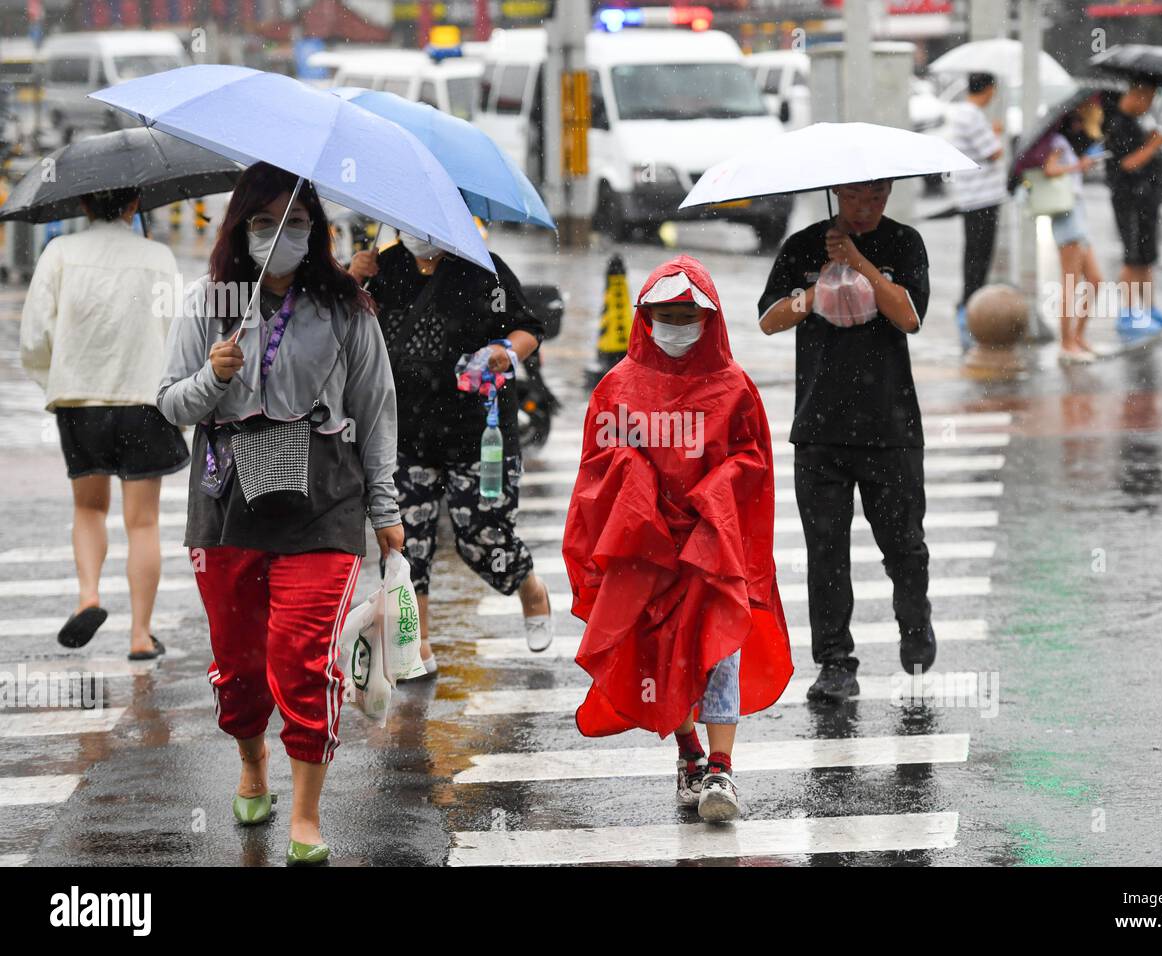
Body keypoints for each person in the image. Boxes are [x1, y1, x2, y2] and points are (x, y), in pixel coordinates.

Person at [157, 163, 403, 865]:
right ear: (241, 229)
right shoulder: (209, 302)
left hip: (324, 501)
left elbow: (377, 414)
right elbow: (170, 405)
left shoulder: (348, 309)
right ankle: (252, 765)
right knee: (238, 667)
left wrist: (385, 509)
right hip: (224, 498)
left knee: (302, 657)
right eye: (265, 223)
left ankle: (304, 810)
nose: (280, 236)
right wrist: (215, 377)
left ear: (316, 232)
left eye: (294, 223)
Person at [562, 255, 792, 822]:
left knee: (719, 651)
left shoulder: (735, 388)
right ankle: (690, 754)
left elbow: (752, 460)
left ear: (708, 318)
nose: (676, 324)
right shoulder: (617, 386)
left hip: (712, 548)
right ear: (645, 317)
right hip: (648, 551)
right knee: (665, 653)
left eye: (687, 314)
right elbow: (599, 462)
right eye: (664, 314)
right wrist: (640, 489)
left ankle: (720, 767)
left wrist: (713, 494)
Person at [757, 179, 935, 703]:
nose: (866, 208)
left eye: (877, 198)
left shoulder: (905, 244)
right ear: (838, 192)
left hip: (890, 427)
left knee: (903, 544)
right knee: (826, 551)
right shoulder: (802, 247)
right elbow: (770, 319)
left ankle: (915, 621)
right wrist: (814, 291)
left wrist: (859, 264)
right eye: (856, 198)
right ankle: (835, 661)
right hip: (819, 430)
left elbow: (908, 316)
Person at [349, 233, 552, 667]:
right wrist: (352, 279)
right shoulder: (381, 268)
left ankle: (529, 587)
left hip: (478, 433)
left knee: (483, 536)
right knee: (404, 544)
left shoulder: (485, 269)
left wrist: (505, 352)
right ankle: (417, 644)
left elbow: (529, 329)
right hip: (403, 430)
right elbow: (343, 329)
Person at [20, 187, 189, 659]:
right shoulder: (158, 257)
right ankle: (140, 634)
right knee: (143, 522)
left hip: (82, 400)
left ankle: (88, 595)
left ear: (83, 205)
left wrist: (56, 378)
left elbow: (35, 334)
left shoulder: (60, 253)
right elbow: (176, 333)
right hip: (144, 400)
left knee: (89, 509)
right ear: (135, 205)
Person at [1103, 80, 1162, 346]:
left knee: (1146, 257)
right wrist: (1153, 146)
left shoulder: (1138, 120)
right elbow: (1127, 164)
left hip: (1146, 197)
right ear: (1136, 95)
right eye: (1147, 98)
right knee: (1132, 257)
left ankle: (1149, 308)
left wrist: (1152, 140)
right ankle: (1129, 311)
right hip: (1128, 198)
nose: (1150, 105)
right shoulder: (1117, 123)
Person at [1041, 100, 1106, 364]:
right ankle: (1066, 343)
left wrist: (1081, 163)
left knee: (1094, 281)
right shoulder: (1057, 140)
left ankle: (1078, 336)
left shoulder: (1067, 142)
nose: (1080, 124)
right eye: (1077, 119)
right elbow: (1050, 169)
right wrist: (1077, 166)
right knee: (1071, 284)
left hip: (1077, 214)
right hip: (1067, 217)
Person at [948, 72, 1007, 351]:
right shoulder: (971, 115)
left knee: (974, 254)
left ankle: (968, 306)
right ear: (988, 89)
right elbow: (994, 152)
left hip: (973, 196)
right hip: (981, 198)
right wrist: (996, 134)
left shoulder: (963, 113)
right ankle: (970, 310)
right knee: (978, 256)